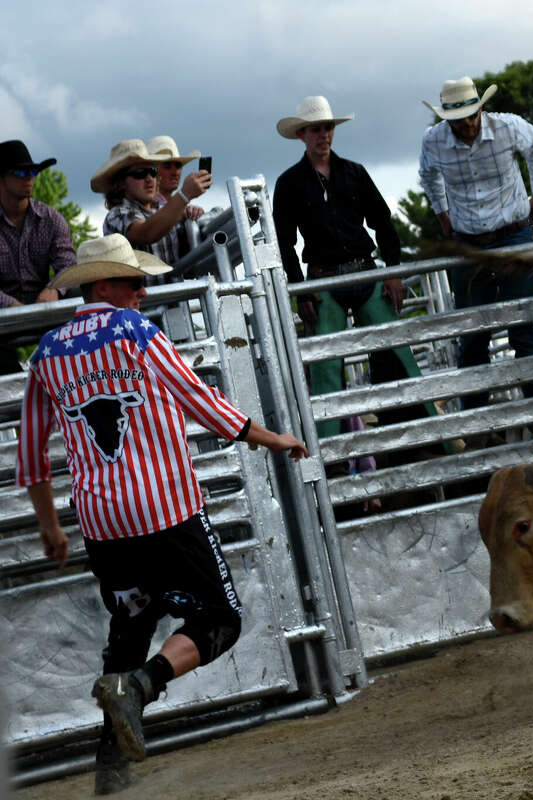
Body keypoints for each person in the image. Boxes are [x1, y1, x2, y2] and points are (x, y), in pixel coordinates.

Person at [15, 233, 307, 794]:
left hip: (103, 523)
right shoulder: (135, 331)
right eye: (134, 282)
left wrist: (50, 527)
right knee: (220, 620)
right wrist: (272, 438)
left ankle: (111, 769)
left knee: (129, 631)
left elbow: (30, 454)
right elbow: (200, 400)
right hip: (164, 508)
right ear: (104, 285)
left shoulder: (46, 353)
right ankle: (143, 685)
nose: (143, 292)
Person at [273, 95, 435, 440]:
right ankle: (330, 453)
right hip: (323, 280)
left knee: (397, 352)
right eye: (316, 129)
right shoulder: (289, 183)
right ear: (302, 135)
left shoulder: (354, 172)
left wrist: (392, 272)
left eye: (328, 128)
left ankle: (429, 436)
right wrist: (301, 290)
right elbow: (284, 242)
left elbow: (383, 223)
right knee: (326, 366)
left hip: (364, 270)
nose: (324, 135)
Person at [418, 77, 533, 410]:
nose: (466, 124)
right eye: (457, 119)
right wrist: (442, 212)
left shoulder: (508, 127)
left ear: (480, 110)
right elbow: (428, 174)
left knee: (522, 326)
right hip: (469, 243)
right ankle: (476, 419)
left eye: (470, 116)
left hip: (513, 232)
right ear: (446, 119)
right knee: (473, 335)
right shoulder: (433, 140)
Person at [0, 139, 77, 372]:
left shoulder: (51, 218)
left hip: (45, 301)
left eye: (33, 171)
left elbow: (69, 263)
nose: (29, 178)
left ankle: (73, 374)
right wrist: (9, 304)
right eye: (20, 172)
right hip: (2, 307)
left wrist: (54, 288)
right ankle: (15, 388)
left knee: (81, 297)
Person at [94, 139, 211, 266]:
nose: (149, 178)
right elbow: (146, 233)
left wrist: (191, 216)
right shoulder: (117, 214)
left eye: (152, 171)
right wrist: (184, 196)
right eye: (140, 173)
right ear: (121, 183)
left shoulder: (163, 212)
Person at [147, 135, 205, 262]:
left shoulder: (181, 207)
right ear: (152, 171)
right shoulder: (141, 207)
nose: (175, 172)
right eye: (167, 166)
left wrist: (195, 214)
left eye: (178, 166)